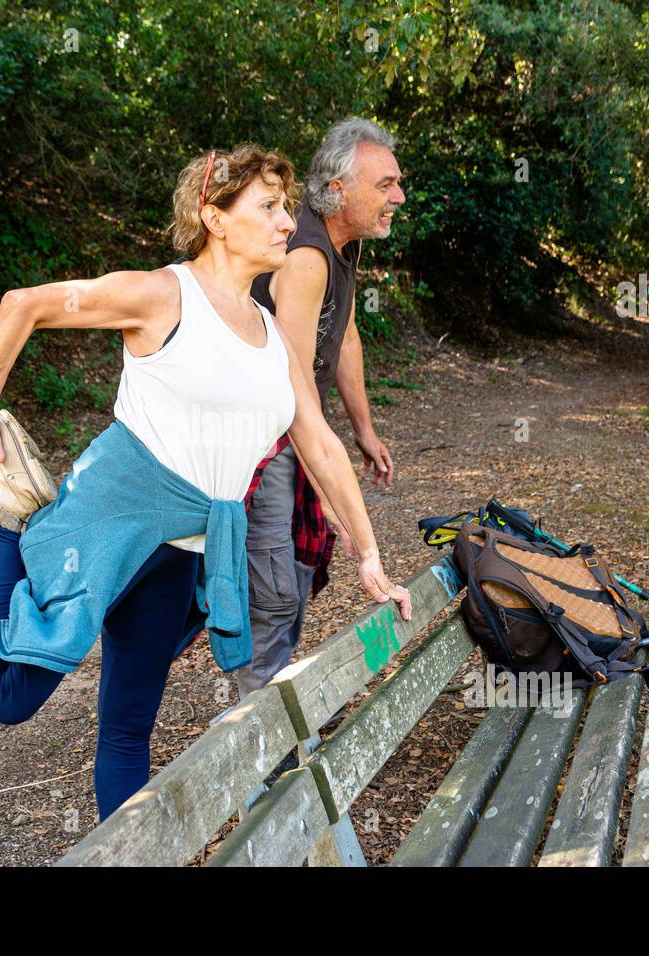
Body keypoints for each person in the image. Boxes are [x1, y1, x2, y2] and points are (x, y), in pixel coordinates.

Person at [0, 144, 413, 821]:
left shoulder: (270, 334)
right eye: (268, 206)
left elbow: (317, 440)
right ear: (214, 216)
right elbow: (22, 304)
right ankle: (6, 522)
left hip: (188, 547)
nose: (288, 222)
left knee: (127, 727)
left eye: (287, 207)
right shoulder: (161, 294)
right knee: (7, 696)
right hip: (111, 519)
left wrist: (369, 557)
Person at [235, 118, 407, 698]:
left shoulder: (344, 244)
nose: (398, 197)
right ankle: (253, 731)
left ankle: (278, 707)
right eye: (384, 185)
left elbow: (347, 336)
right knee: (278, 588)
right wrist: (332, 489)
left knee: (299, 575)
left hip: (294, 427)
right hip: (260, 436)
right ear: (337, 190)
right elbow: (294, 396)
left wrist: (363, 428)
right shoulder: (306, 256)